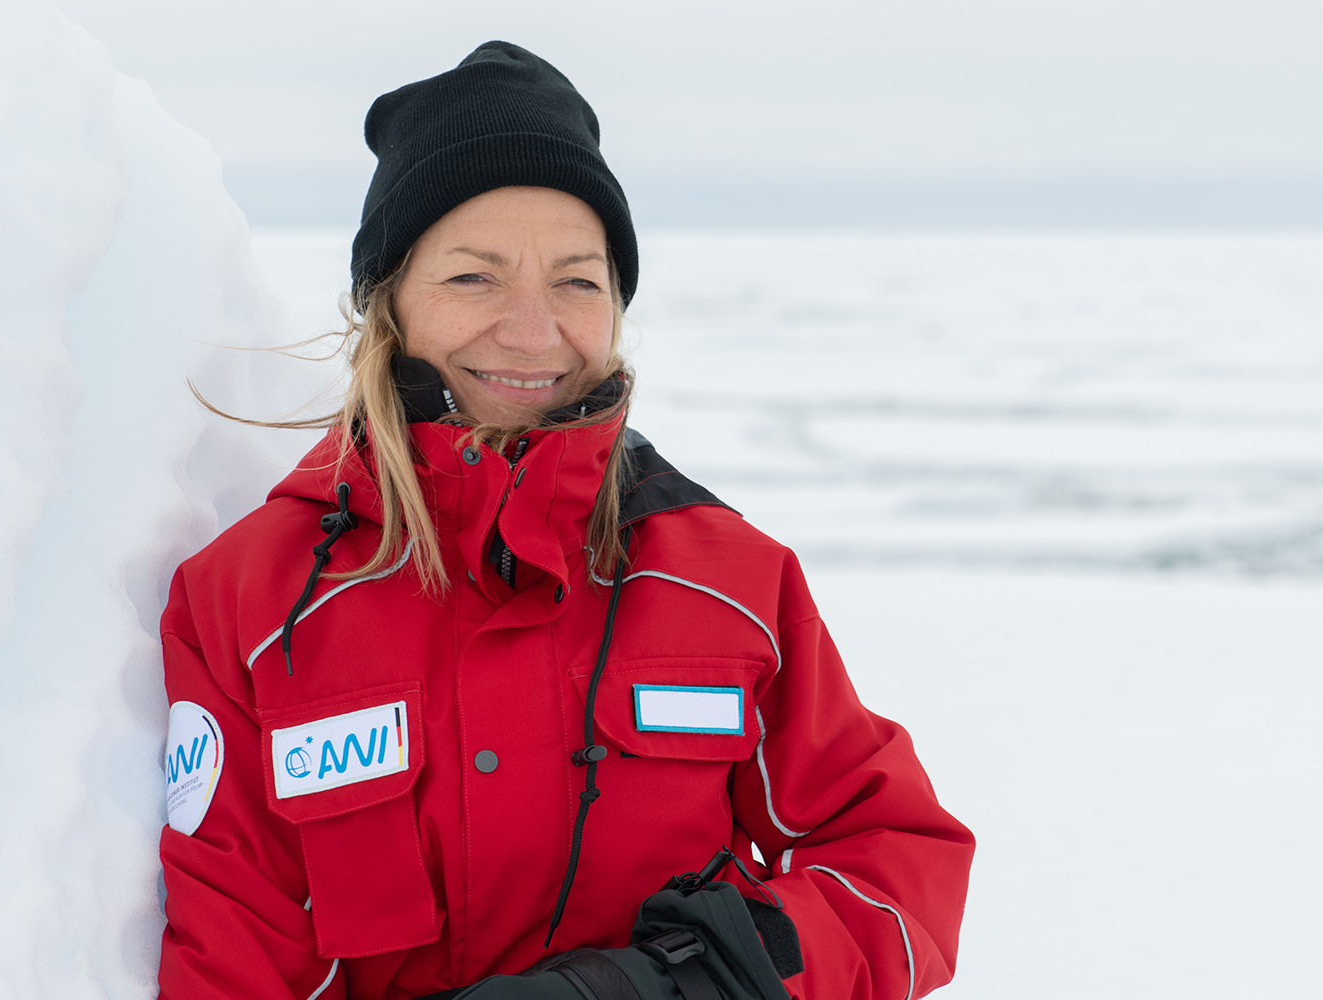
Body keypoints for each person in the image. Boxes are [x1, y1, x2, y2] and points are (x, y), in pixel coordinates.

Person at [156, 41, 974, 1000]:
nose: (534, 330)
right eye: (474, 277)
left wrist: (683, 983)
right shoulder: (252, 602)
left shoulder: (730, 582)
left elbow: (897, 863)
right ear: (388, 305)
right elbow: (229, 959)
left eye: (579, 281)